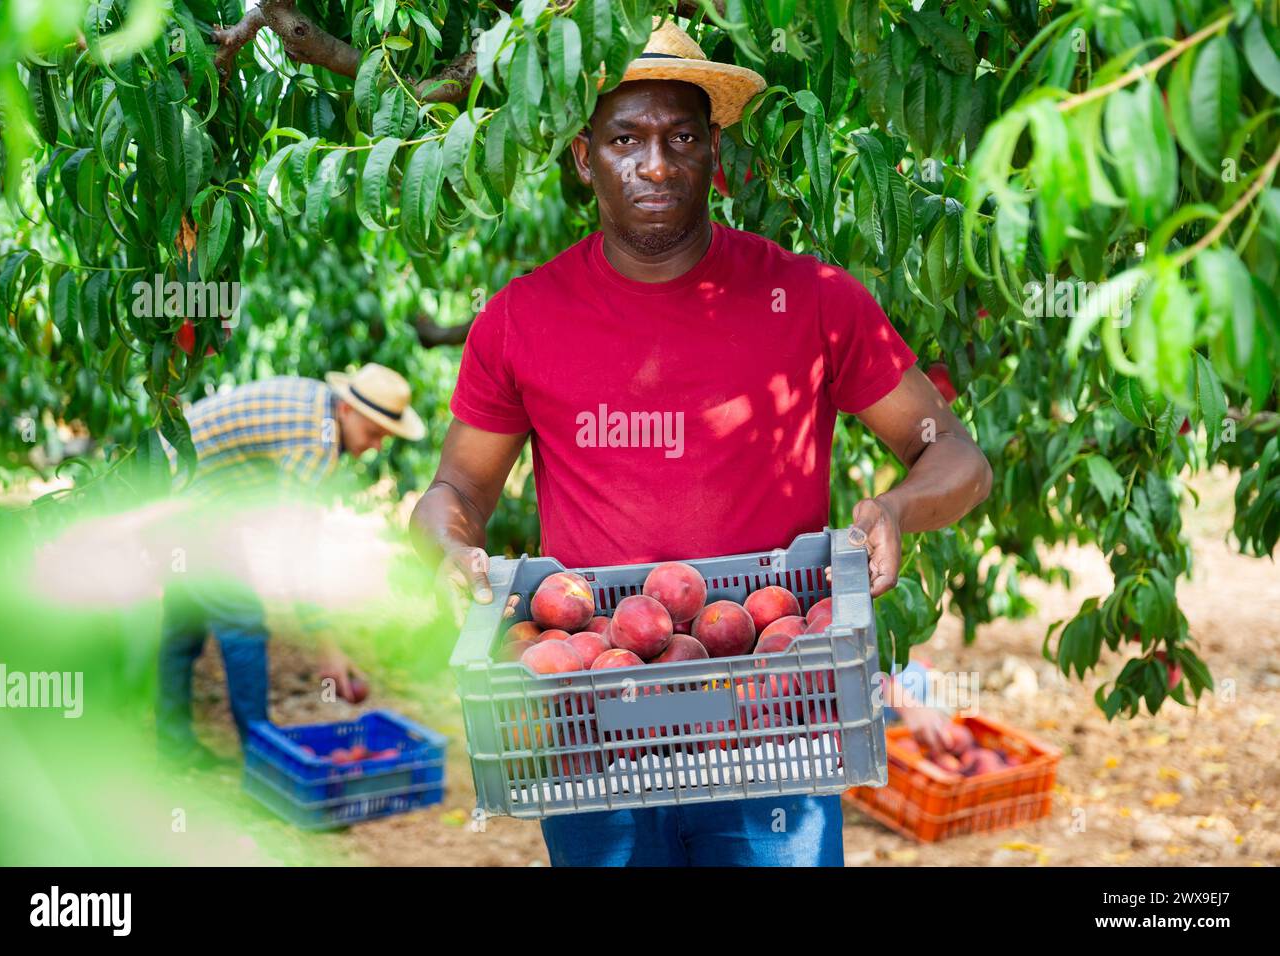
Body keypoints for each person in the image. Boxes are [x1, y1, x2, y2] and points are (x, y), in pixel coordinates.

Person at [412, 17, 991, 866]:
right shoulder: (521, 320)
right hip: (595, 736)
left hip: (773, 739)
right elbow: (456, 492)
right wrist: (443, 546)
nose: (656, 163)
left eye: (683, 135)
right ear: (584, 157)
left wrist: (896, 509)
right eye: (626, 138)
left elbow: (958, 458)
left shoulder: (814, 300)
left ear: (714, 152)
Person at [157, 364, 425, 768]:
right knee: (242, 620)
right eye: (372, 434)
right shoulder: (316, 440)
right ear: (349, 411)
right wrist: (327, 648)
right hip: (189, 503)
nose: (373, 447)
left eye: (382, 438)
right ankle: (264, 763)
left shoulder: (316, 407)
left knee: (185, 624)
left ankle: (173, 744)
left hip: (166, 483)